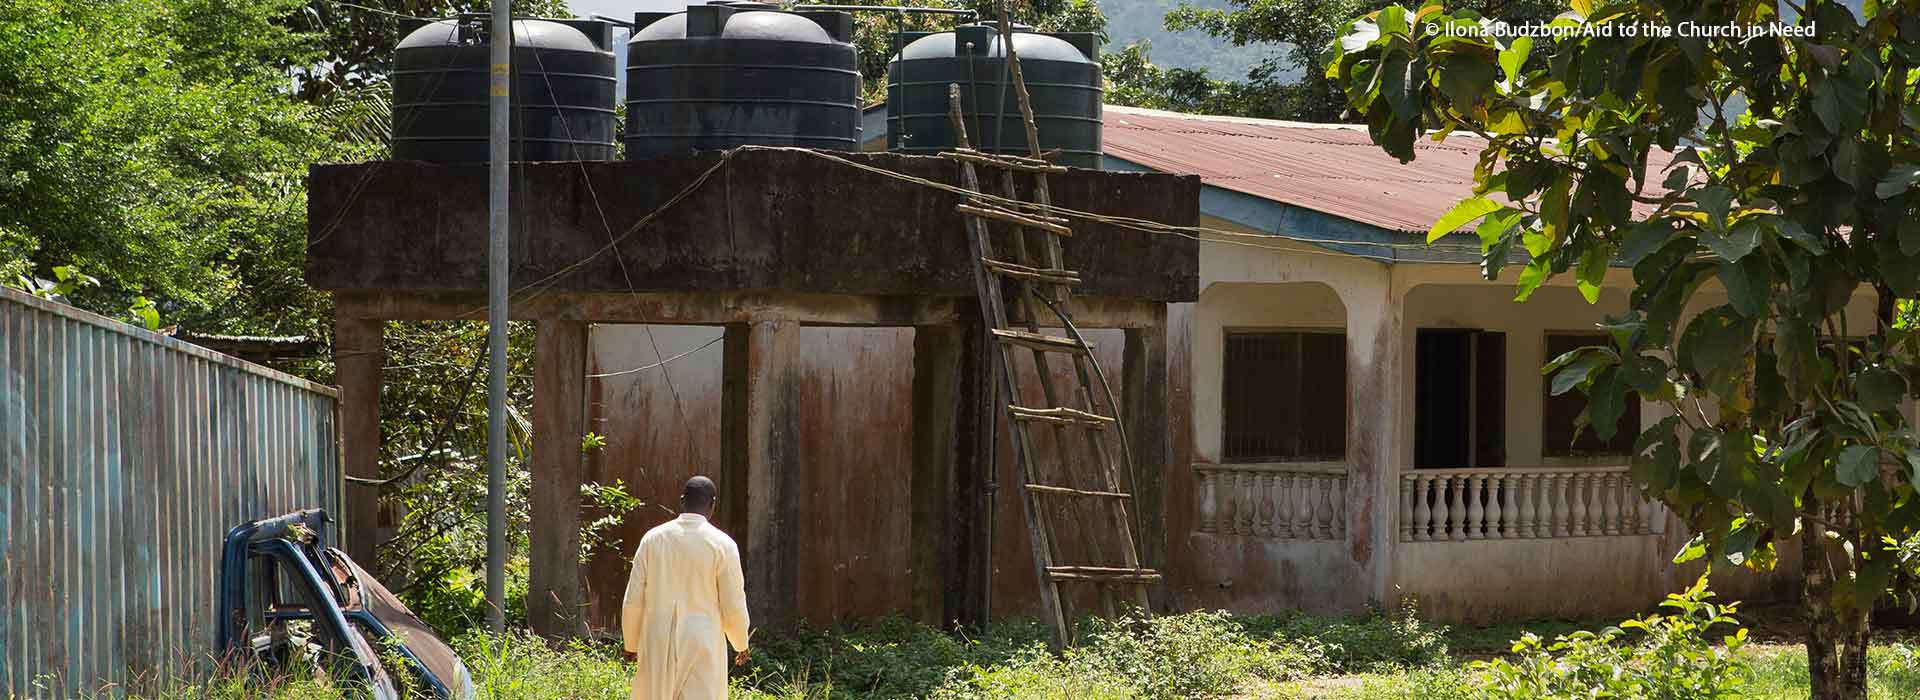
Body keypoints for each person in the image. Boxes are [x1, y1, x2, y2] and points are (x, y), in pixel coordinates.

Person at [621, 475, 751, 700]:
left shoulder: (652, 539)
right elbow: (733, 604)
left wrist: (631, 643)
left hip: (657, 639)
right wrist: (741, 642)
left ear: (682, 500)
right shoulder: (723, 545)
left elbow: (633, 600)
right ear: (712, 504)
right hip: (703, 642)